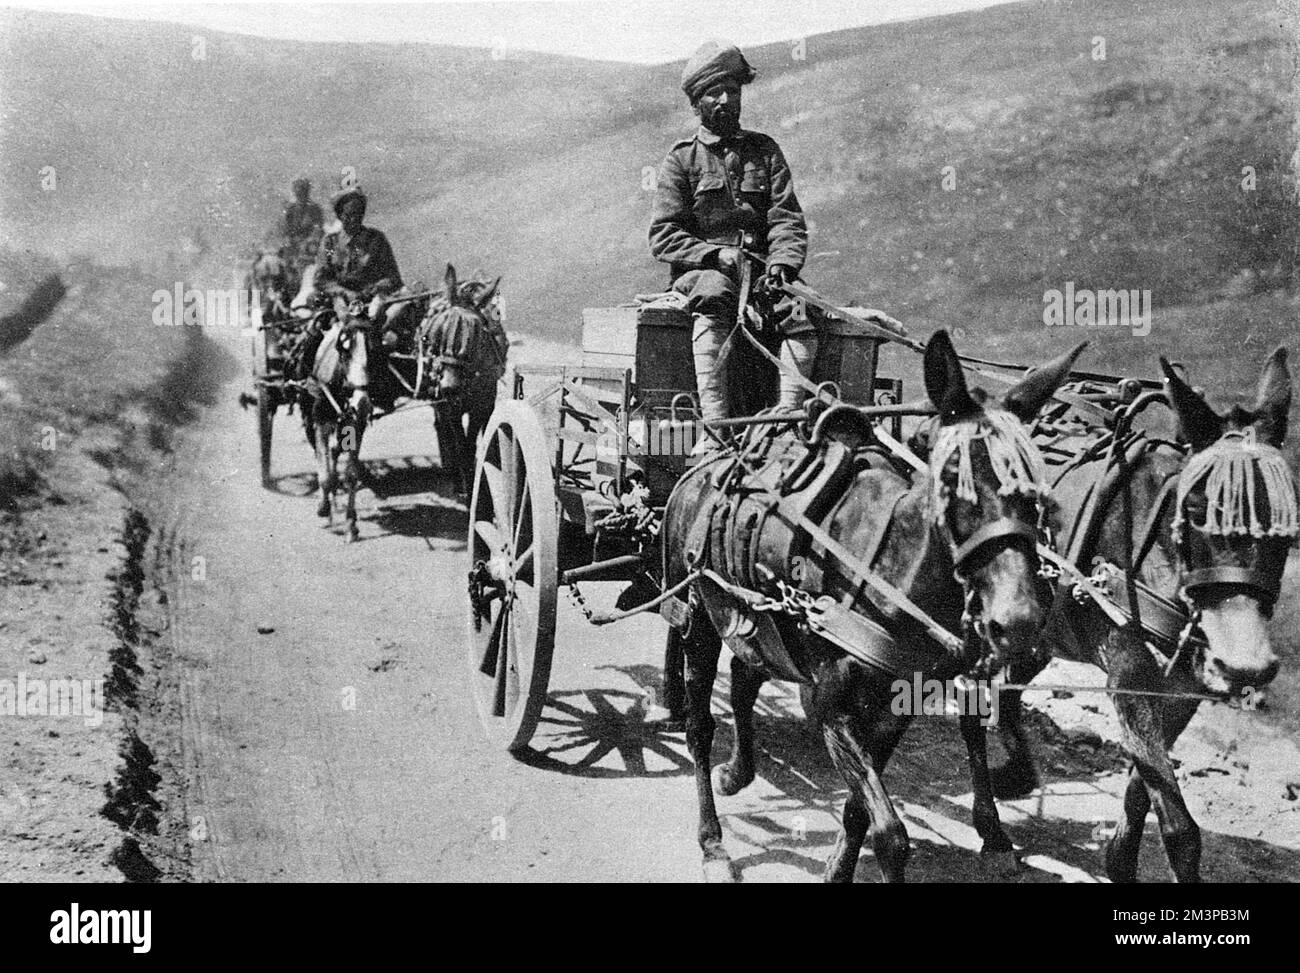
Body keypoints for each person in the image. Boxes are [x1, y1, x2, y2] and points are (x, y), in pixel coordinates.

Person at [648, 39, 816, 437]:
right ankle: (716, 431)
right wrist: (711, 255)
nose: (726, 100)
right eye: (714, 93)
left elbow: (786, 218)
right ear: (697, 104)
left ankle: (784, 427)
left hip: (760, 273)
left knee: (797, 308)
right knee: (715, 292)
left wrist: (781, 265)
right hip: (703, 274)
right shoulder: (682, 160)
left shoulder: (765, 150)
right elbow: (664, 235)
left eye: (733, 91)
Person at [279, 177, 324, 265]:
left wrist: (311, 239)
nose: (300, 195)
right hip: (293, 244)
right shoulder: (291, 209)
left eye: (303, 191)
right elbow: (285, 228)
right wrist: (288, 238)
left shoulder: (315, 209)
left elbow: (318, 227)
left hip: (310, 244)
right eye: (298, 192)